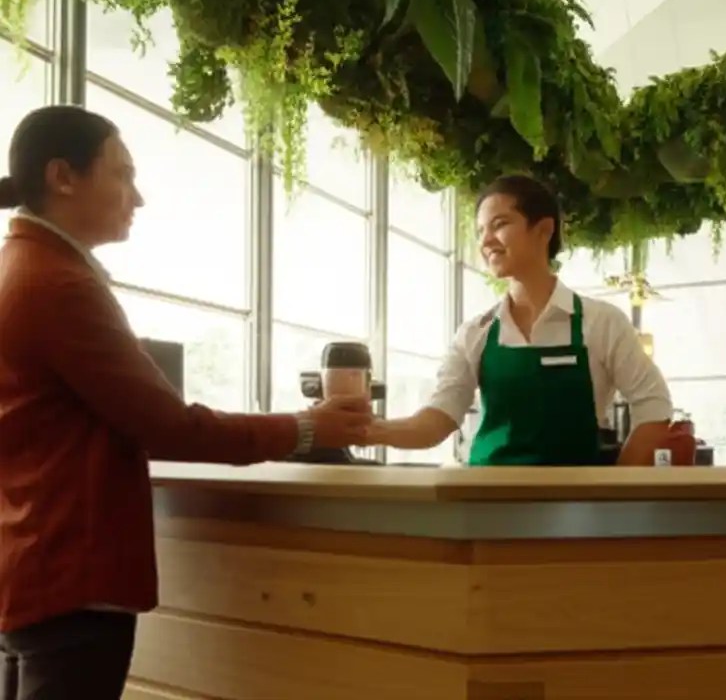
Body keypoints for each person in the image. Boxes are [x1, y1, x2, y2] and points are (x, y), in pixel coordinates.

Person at [0, 105, 373, 700]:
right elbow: (171, 427)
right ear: (63, 177)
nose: (138, 197)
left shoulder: (22, 267)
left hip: (35, 568)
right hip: (70, 574)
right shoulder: (58, 284)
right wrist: (307, 429)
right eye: (123, 174)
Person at [366, 174, 673, 466]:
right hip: (488, 496)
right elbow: (438, 419)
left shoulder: (601, 322)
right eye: (480, 231)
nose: (486, 241)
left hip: (574, 500)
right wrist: (371, 430)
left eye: (499, 224)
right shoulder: (475, 333)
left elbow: (654, 404)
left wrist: (614, 487)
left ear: (544, 230)